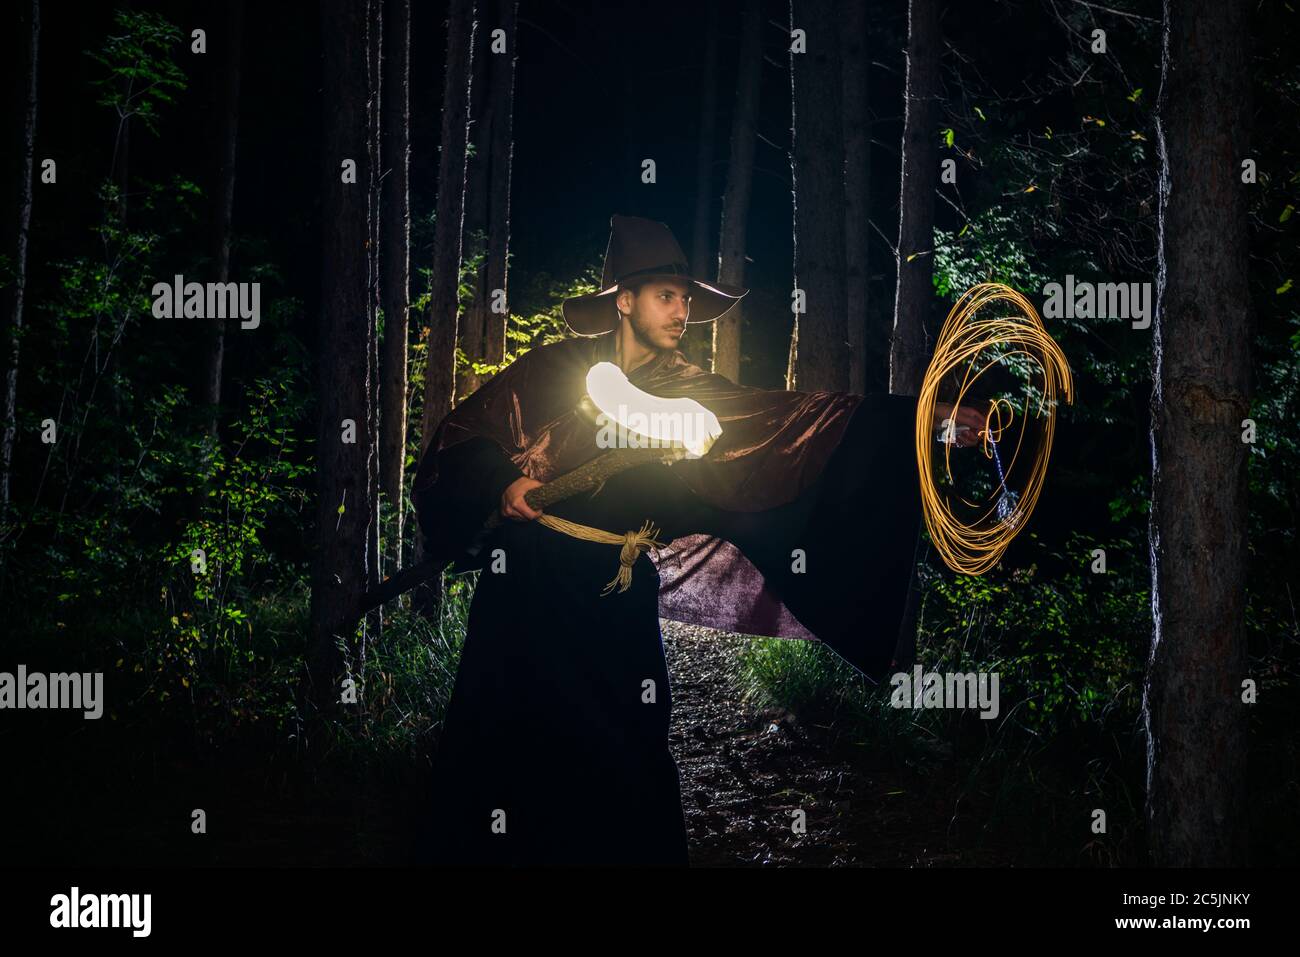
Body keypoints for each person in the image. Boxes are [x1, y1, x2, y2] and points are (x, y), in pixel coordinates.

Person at [413, 215, 985, 867]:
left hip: (617, 593)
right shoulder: (554, 371)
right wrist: (502, 480)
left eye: (687, 297)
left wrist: (924, 420)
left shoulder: (694, 395)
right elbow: (462, 437)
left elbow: (798, 422)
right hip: (528, 590)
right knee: (509, 754)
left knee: (628, 758)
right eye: (666, 294)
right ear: (623, 301)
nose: (682, 309)